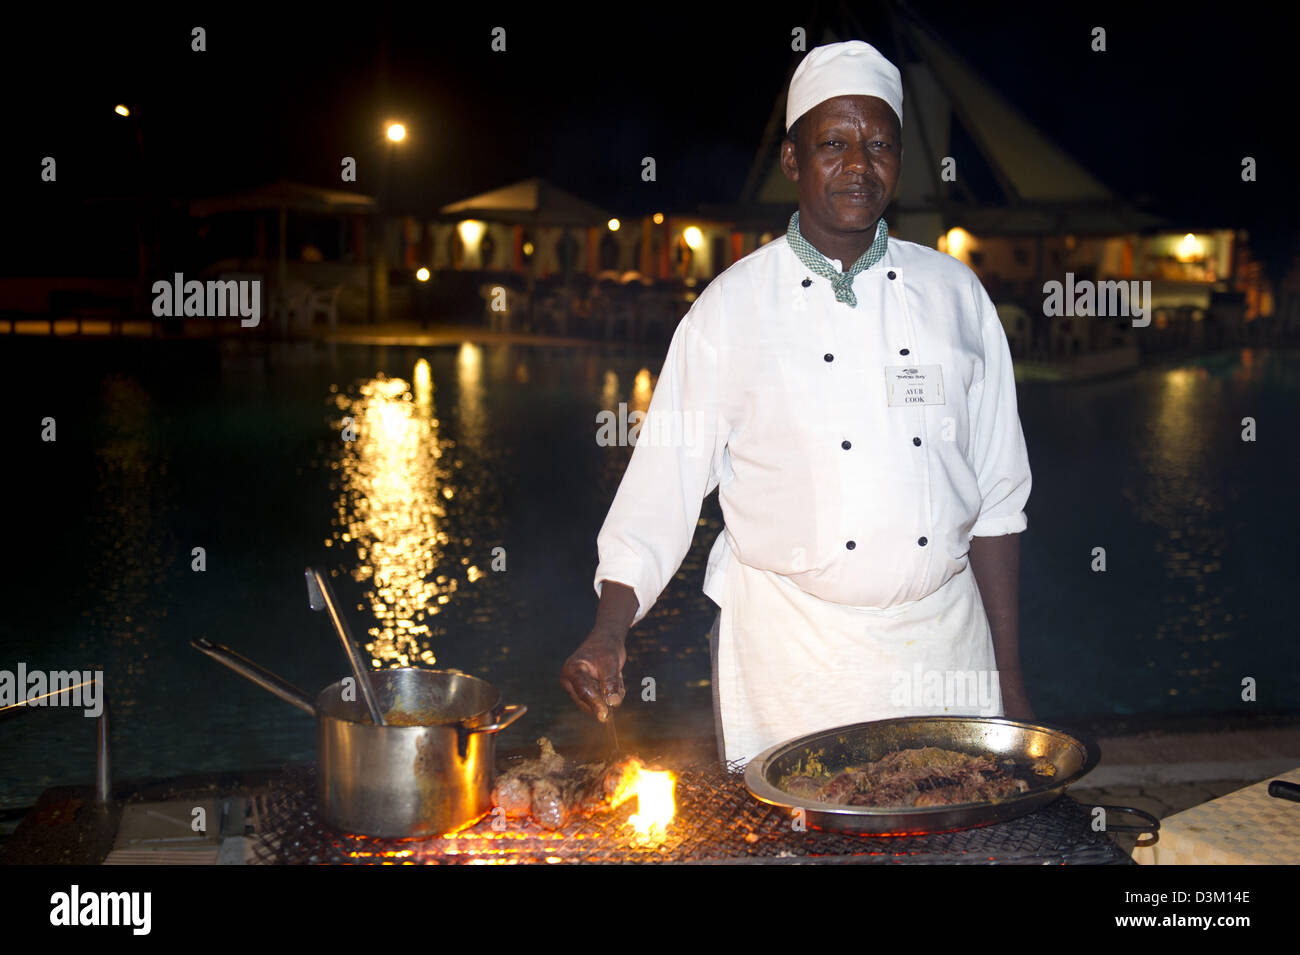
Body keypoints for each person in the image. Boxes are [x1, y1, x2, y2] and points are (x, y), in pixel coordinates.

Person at [560, 40, 1034, 766]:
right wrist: (609, 629)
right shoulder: (730, 311)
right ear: (792, 160)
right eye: (833, 143)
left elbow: (1000, 501)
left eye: (879, 143)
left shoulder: (956, 295)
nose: (858, 164)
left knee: (957, 833)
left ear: (900, 160)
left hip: (947, 646)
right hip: (794, 657)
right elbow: (662, 488)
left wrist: (1007, 678)